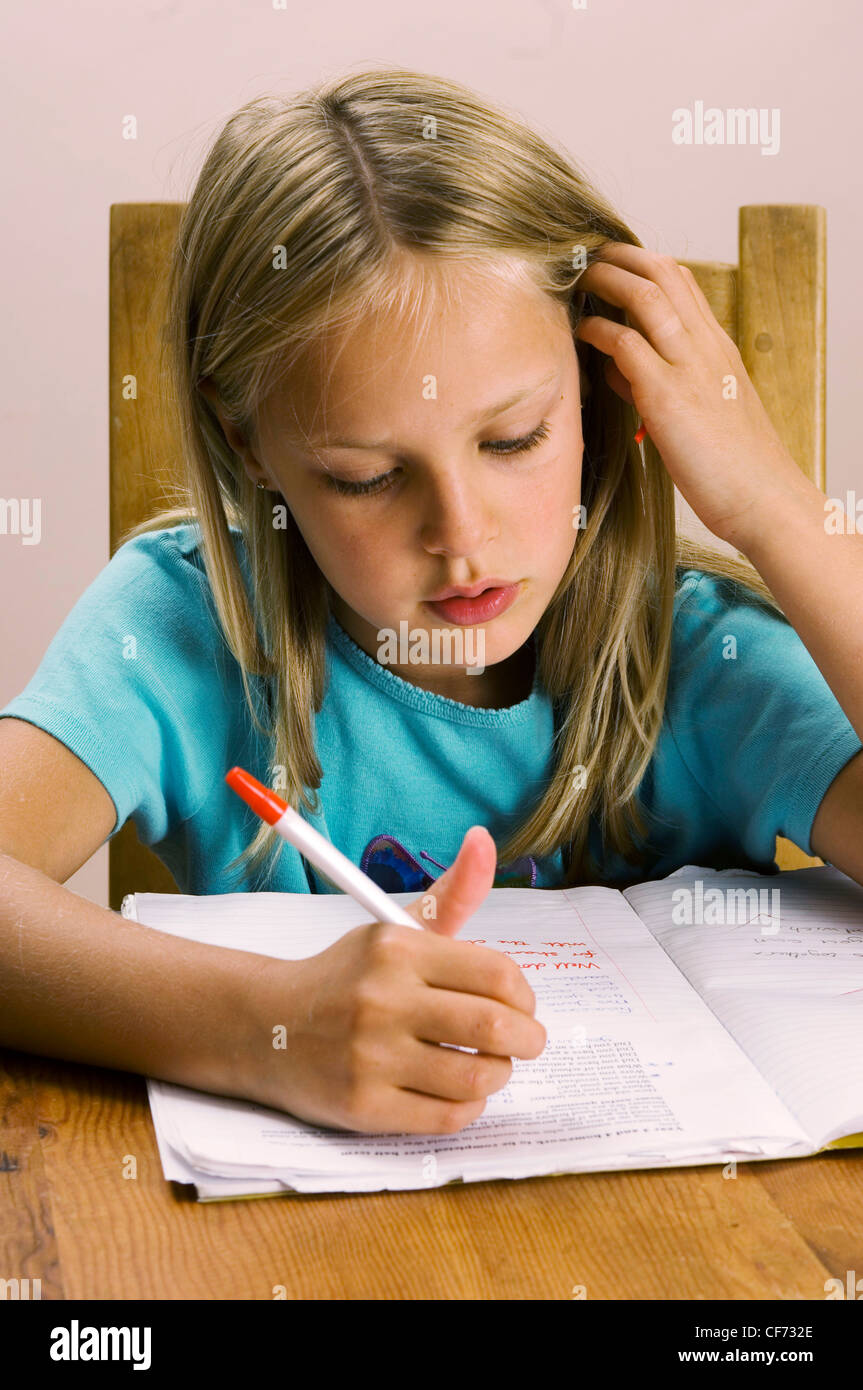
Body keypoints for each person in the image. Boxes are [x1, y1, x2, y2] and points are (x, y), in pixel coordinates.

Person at [2, 67, 861, 1136]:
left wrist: (778, 513)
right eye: (365, 476)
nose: (461, 536)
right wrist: (264, 1027)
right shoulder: (182, 628)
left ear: (601, 397)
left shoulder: (701, 657)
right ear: (247, 444)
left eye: (512, 440)